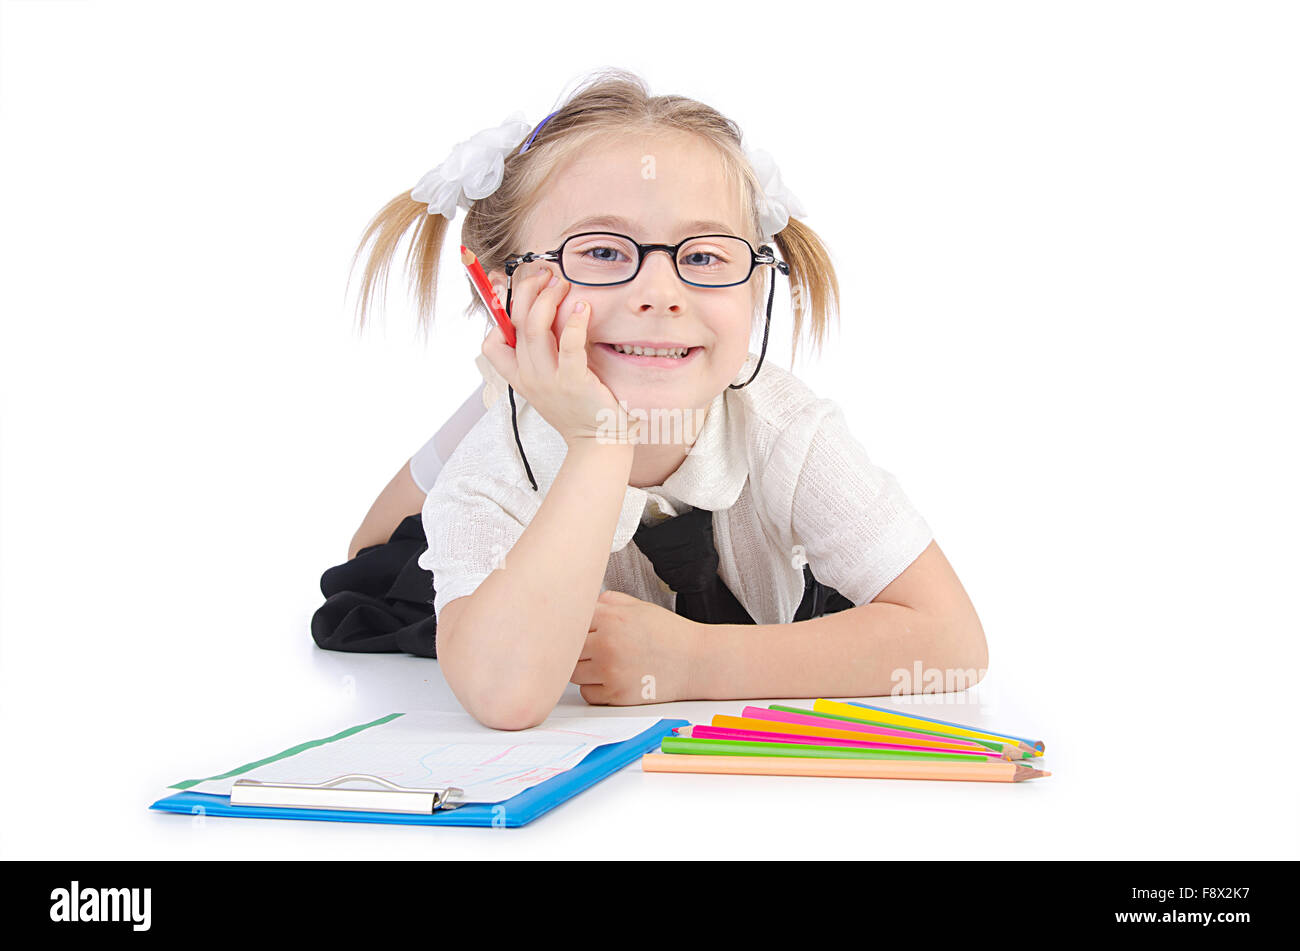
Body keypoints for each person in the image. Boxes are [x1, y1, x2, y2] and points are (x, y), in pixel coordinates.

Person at [313, 68, 988, 729]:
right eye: (603, 252)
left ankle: (521, 368)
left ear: (755, 286)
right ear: (501, 293)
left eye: (702, 257)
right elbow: (504, 694)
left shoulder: (785, 425)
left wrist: (697, 662)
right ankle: (503, 385)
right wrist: (599, 444)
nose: (662, 292)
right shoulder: (494, 468)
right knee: (377, 550)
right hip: (483, 550)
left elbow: (955, 642)